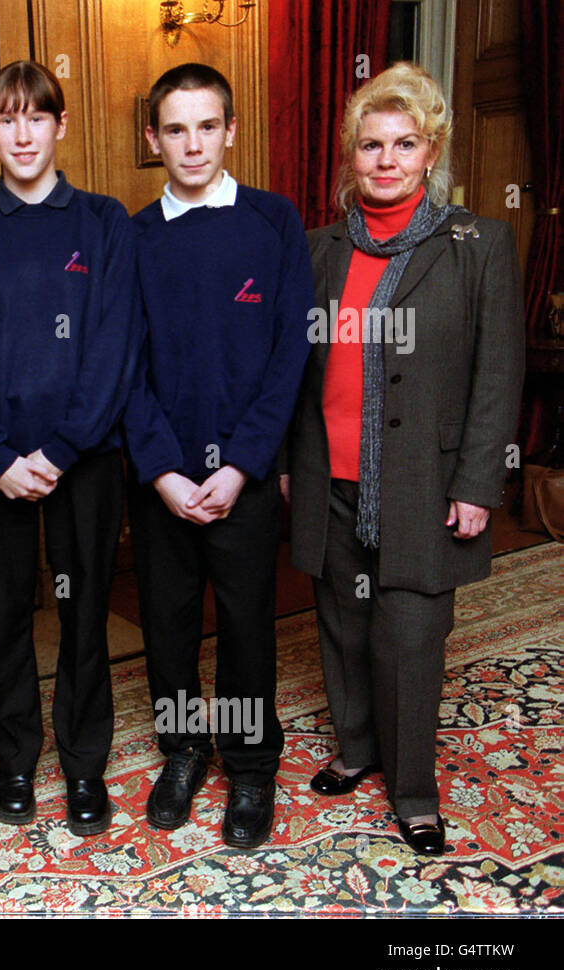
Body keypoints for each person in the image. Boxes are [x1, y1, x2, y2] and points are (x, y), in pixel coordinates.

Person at [285, 62, 524, 855]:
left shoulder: (477, 244)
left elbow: (498, 372)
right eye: (370, 145)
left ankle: (413, 790)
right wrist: (293, 460)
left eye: (404, 144)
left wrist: (480, 482)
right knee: (344, 626)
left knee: (411, 638)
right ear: (350, 157)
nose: (386, 160)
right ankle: (355, 751)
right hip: (334, 476)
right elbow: (295, 368)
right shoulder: (319, 248)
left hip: (426, 482)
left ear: (431, 152)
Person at [0, 60, 136, 836]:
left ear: (61, 126)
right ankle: (17, 759)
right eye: (6, 118)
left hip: (81, 458)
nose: (22, 133)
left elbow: (114, 344)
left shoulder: (104, 221)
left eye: (36, 116)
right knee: (10, 615)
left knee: (85, 612)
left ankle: (85, 766)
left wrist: (63, 446)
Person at [122, 63, 313, 848]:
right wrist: (165, 471)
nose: (192, 144)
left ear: (231, 130)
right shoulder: (130, 238)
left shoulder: (274, 222)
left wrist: (239, 465)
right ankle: (182, 748)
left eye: (207, 126)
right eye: (175, 129)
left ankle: (250, 763)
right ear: (153, 139)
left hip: (246, 472)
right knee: (166, 625)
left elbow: (288, 355)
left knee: (244, 625)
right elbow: (120, 365)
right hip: (162, 475)